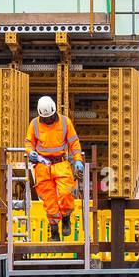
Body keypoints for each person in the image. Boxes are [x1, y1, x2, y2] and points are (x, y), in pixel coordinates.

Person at [26, 96, 85, 241]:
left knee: (66, 193)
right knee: (49, 200)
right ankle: (54, 232)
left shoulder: (65, 122)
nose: (48, 120)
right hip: (42, 166)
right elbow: (29, 143)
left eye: (50, 117)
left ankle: (65, 218)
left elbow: (74, 143)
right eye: (45, 118)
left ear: (54, 112)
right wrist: (30, 153)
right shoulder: (34, 125)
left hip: (61, 163)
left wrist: (78, 160)